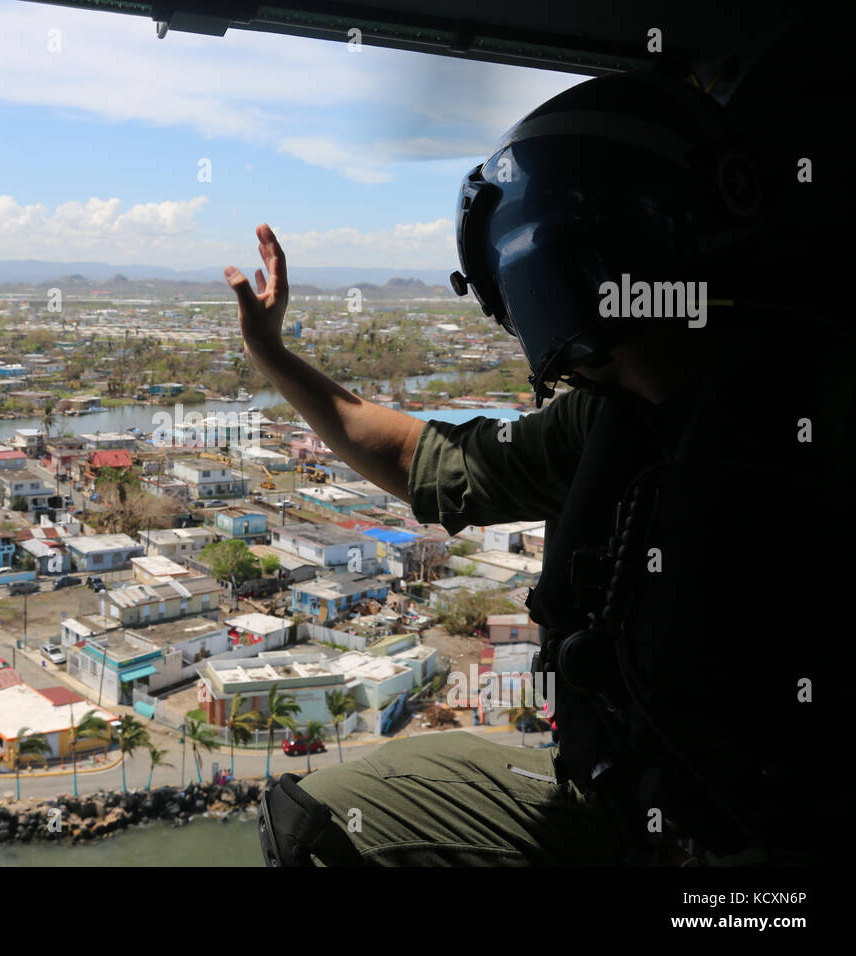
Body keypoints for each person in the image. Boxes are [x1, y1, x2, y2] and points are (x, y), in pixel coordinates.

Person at [236, 69, 847, 866]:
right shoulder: (607, 419)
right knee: (319, 821)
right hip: (631, 799)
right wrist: (274, 357)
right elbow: (422, 458)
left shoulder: (814, 415)